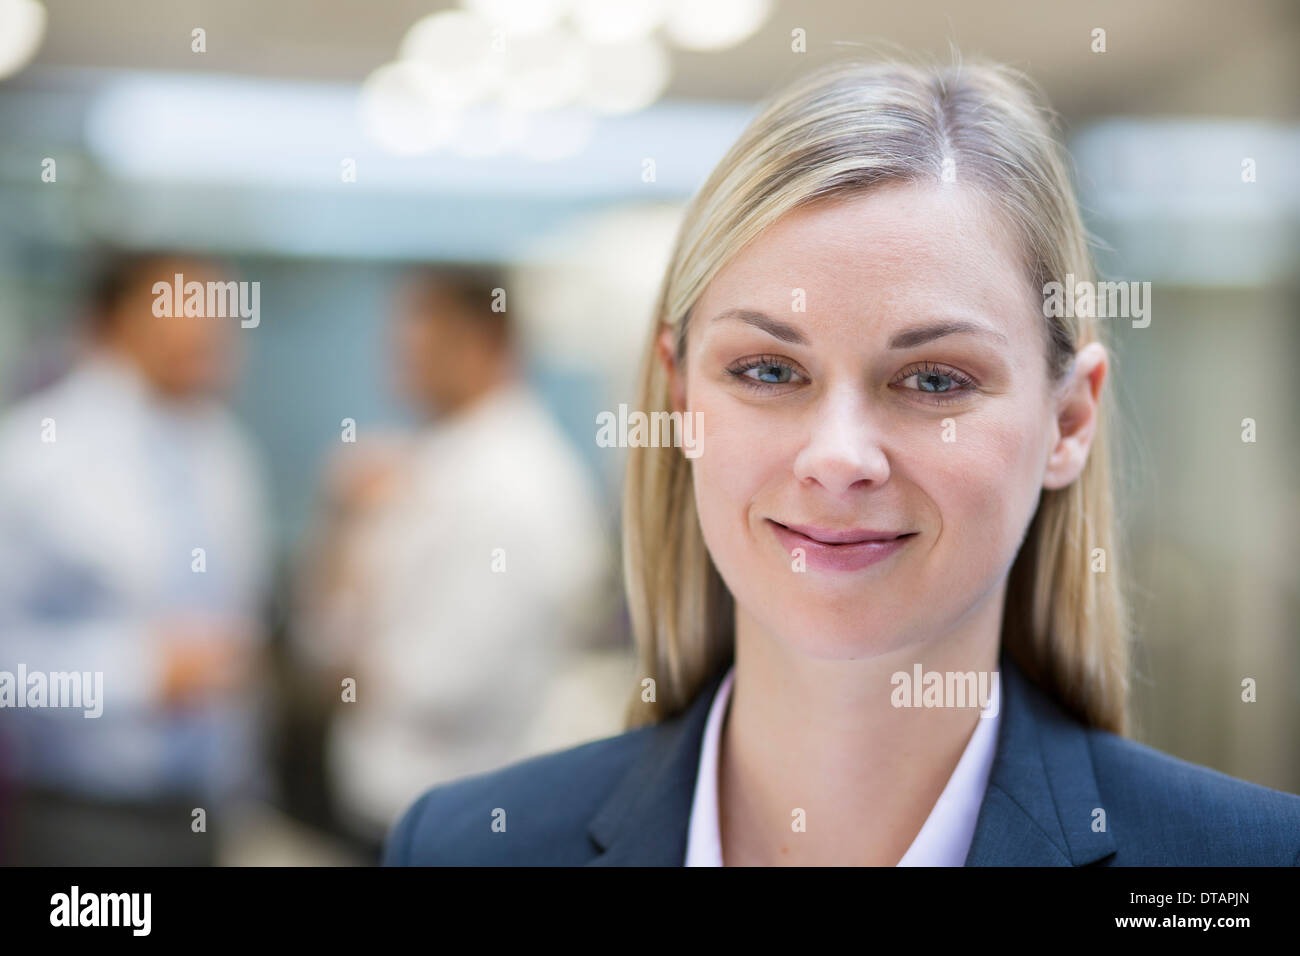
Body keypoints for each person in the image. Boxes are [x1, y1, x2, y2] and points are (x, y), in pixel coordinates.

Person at [380, 59, 1300, 866]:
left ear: (1068, 420)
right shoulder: (467, 848)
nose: (838, 458)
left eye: (935, 378)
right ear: (677, 401)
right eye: (769, 370)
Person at [294, 266, 612, 861]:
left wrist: (350, 666)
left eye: (422, 346)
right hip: (391, 807)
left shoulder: (517, 485)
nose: (401, 364)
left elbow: (439, 683)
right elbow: (326, 639)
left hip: (450, 817)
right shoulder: (430, 461)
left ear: (484, 344)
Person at [0, 252, 272, 865]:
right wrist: (139, 672)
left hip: (209, 814)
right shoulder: (37, 454)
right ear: (120, 318)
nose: (216, 326)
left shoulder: (222, 450)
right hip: (87, 818)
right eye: (190, 306)